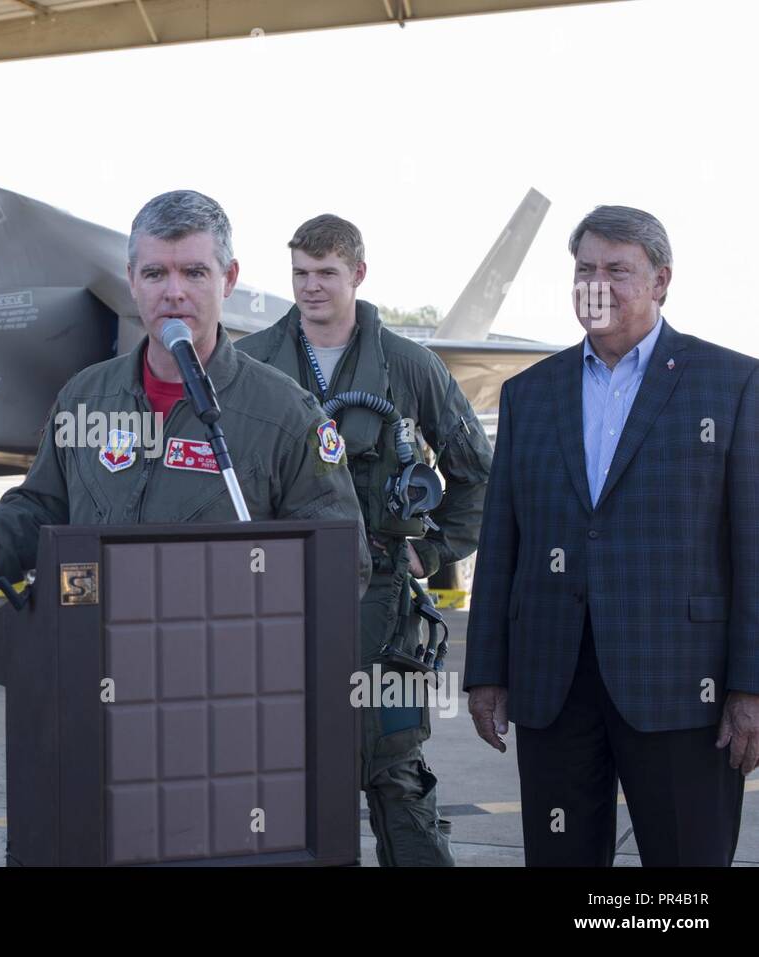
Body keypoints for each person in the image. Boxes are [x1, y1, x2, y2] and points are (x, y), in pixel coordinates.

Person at [465, 205, 759, 866]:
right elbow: (502, 537)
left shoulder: (733, 383)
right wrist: (486, 669)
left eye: (617, 270)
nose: (597, 283)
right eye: (585, 269)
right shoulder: (530, 394)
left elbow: (754, 547)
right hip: (554, 684)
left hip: (684, 691)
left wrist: (751, 686)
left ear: (660, 281)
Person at [0, 189, 368, 600]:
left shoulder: (286, 416)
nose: (173, 292)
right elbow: (45, 508)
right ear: (132, 280)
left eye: (195, 273)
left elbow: (343, 563)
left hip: (225, 663)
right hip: (94, 654)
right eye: (155, 273)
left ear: (229, 279)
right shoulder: (85, 399)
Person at [238, 214, 492, 866]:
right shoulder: (249, 364)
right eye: (300, 273)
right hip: (276, 600)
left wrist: (430, 552)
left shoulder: (411, 368)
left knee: (396, 770)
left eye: (326, 272)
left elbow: (478, 475)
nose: (312, 286)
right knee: (275, 772)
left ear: (358, 273)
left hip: (384, 601)